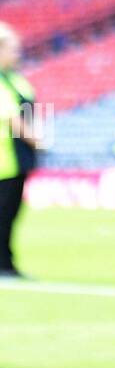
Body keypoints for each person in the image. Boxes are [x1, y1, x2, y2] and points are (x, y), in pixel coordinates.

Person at [0, 24, 45, 278]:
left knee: (11, 213)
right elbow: (12, 118)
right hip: (5, 158)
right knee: (3, 213)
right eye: (12, 49)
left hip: (19, 159)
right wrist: (36, 139)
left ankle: (6, 262)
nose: (17, 54)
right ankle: (3, 264)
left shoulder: (15, 79)